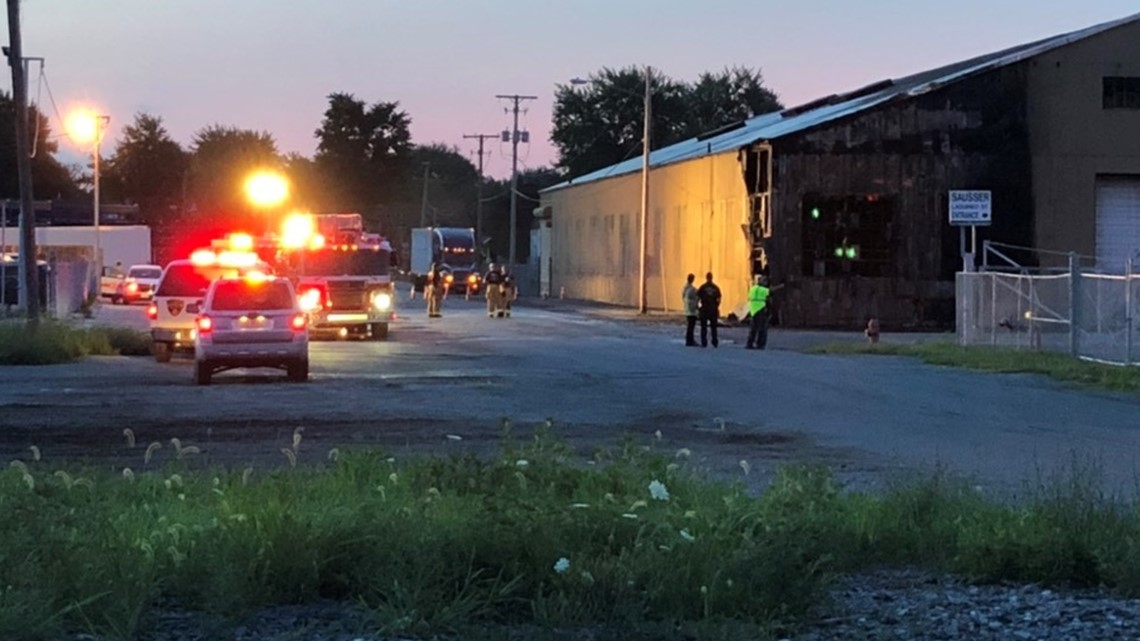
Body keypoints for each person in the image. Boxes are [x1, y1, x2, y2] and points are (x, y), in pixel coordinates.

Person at [746, 275, 774, 350]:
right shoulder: (763, 289)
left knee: (753, 328)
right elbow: (771, 291)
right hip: (760, 309)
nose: (766, 283)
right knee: (762, 328)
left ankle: (750, 343)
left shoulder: (752, 288)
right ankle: (760, 344)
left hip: (753, 309)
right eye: (765, 281)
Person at [696, 272, 721, 348]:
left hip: (704, 309)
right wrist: (716, 306)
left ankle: (704, 342)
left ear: (706, 278)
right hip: (713, 309)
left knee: (704, 327)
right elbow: (719, 299)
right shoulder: (716, 288)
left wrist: (698, 307)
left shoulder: (702, 287)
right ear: (712, 278)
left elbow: (698, 297)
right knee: (713, 327)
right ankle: (714, 342)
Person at [681, 273, 699, 346]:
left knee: (689, 325)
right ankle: (690, 340)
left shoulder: (684, 288)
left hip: (687, 309)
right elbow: (697, 298)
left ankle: (689, 339)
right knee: (691, 326)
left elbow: (683, 297)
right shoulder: (692, 289)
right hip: (692, 310)